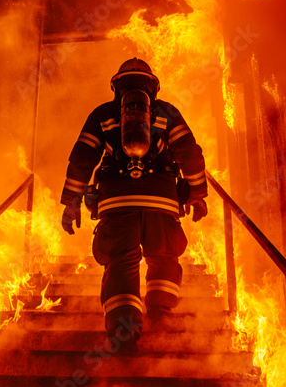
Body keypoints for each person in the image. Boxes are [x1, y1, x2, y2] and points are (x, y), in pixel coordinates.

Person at [59, 58, 208, 350]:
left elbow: (82, 159)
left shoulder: (102, 114)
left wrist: (72, 203)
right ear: (152, 86)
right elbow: (189, 153)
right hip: (162, 200)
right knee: (163, 256)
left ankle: (123, 330)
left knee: (121, 263)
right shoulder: (167, 112)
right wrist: (197, 193)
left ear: (116, 85)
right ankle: (160, 314)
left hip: (116, 202)